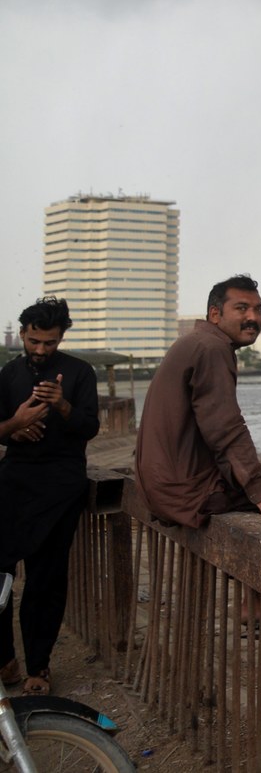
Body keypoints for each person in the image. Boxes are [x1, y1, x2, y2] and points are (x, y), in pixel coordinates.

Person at [135, 275, 261, 654]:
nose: (253, 317)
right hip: (187, 488)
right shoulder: (212, 348)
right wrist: (259, 493)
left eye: (258, 310)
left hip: (165, 481)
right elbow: (225, 427)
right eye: (242, 309)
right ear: (215, 313)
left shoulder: (195, 342)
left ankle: (256, 605)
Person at [0, 297, 100, 696]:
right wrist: (14, 426)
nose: (41, 350)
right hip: (13, 481)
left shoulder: (79, 372)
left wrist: (62, 406)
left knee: (46, 579)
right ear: (23, 334)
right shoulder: (8, 374)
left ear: (61, 338)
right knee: (1, 572)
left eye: (50, 343)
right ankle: (4, 658)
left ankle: (38, 666)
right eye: (34, 341)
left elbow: (90, 427)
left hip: (61, 485)